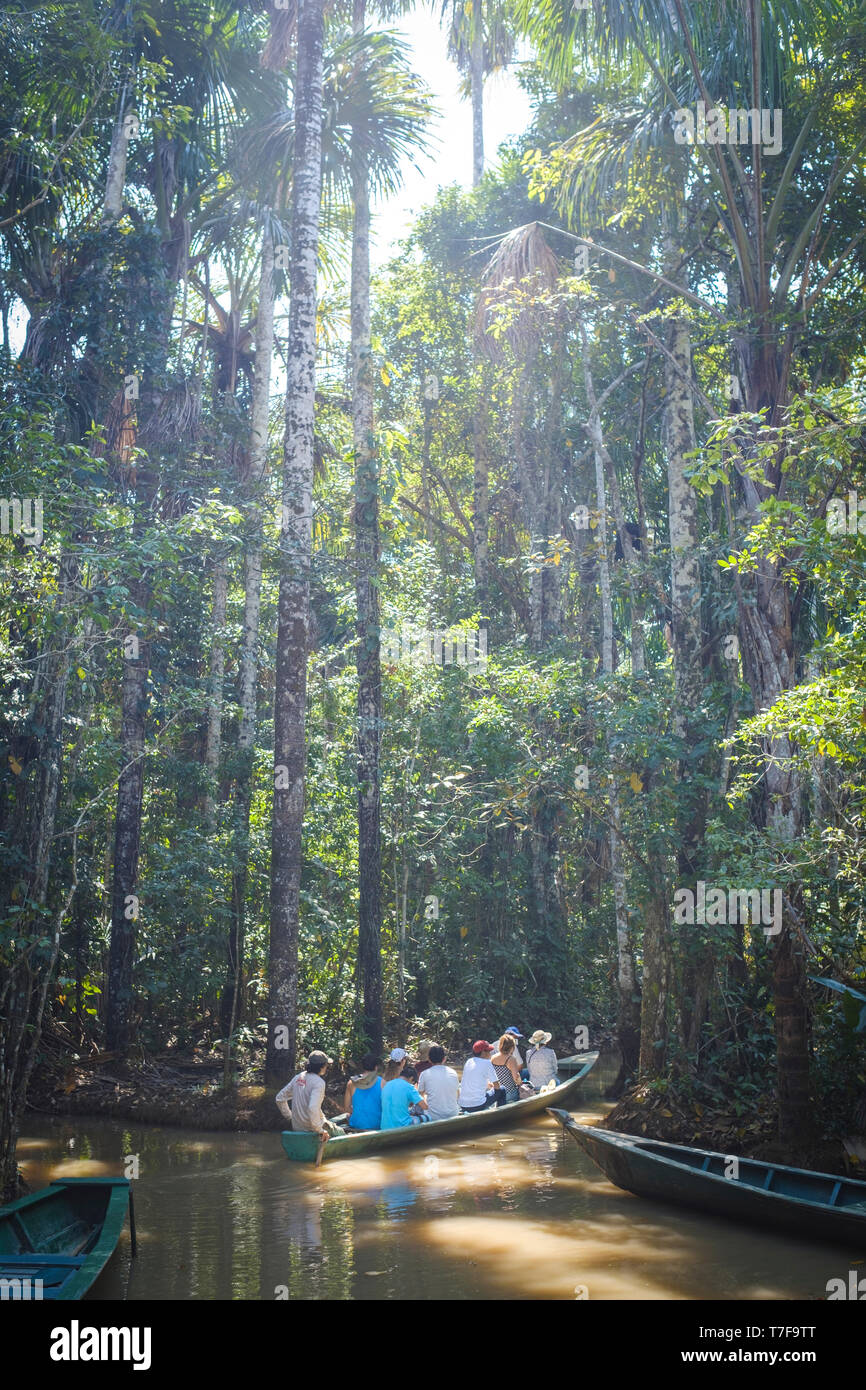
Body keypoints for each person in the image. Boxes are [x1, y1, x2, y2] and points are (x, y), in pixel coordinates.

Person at [275, 1050, 342, 1139]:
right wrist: (320, 1130)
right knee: (341, 1132)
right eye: (326, 1065)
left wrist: (290, 1117)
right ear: (322, 1067)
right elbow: (312, 1108)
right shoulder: (319, 1083)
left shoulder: (298, 1077)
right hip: (312, 1129)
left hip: (297, 1128)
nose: (327, 1067)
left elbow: (279, 1098)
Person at [381, 1056, 428, 1129]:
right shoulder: (409, 1087)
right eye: (413, 1082)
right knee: (428, 1117)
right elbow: (425, 1106)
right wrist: (422, 1095)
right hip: (402, 1126)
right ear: (411, 1079)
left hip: (384, 1126)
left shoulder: (388, 1084)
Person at [417, 1044, 459, 1122]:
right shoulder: (453, 1072)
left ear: (429, 1059)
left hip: (433, 1117)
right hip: (453, 1114)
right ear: (444, 1059)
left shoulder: (424, 1074)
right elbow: (457, 1094)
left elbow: (419, 1095)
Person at [458, 1040, 505, 1111]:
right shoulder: (487, 1063)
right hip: (477, 1105)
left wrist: (488, 1085)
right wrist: (493, 1087)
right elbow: (497, 1087)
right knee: (502, 1089)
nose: (490, 1053)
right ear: (483, 1052)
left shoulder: (469, 1061)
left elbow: (475, 1080)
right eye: (489, 1051)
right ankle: (501, 1115)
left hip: (462, 1104)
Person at [343, 1053, 383, 1132]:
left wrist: (359, 1111)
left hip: (357, 1125)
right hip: (377, 1124)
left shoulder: (352, 1082)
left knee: (348, 1115)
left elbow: (347, 1108)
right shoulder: (383, 1082)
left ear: (362, 1066)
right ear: (376, 1067)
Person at [491, 1033, 521, 1104]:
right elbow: (516, 1078)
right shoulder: (511, 1059)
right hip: (509, 1094)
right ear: (512, 1047)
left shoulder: (493, 1058)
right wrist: (521, 1083)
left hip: (497, 1093)